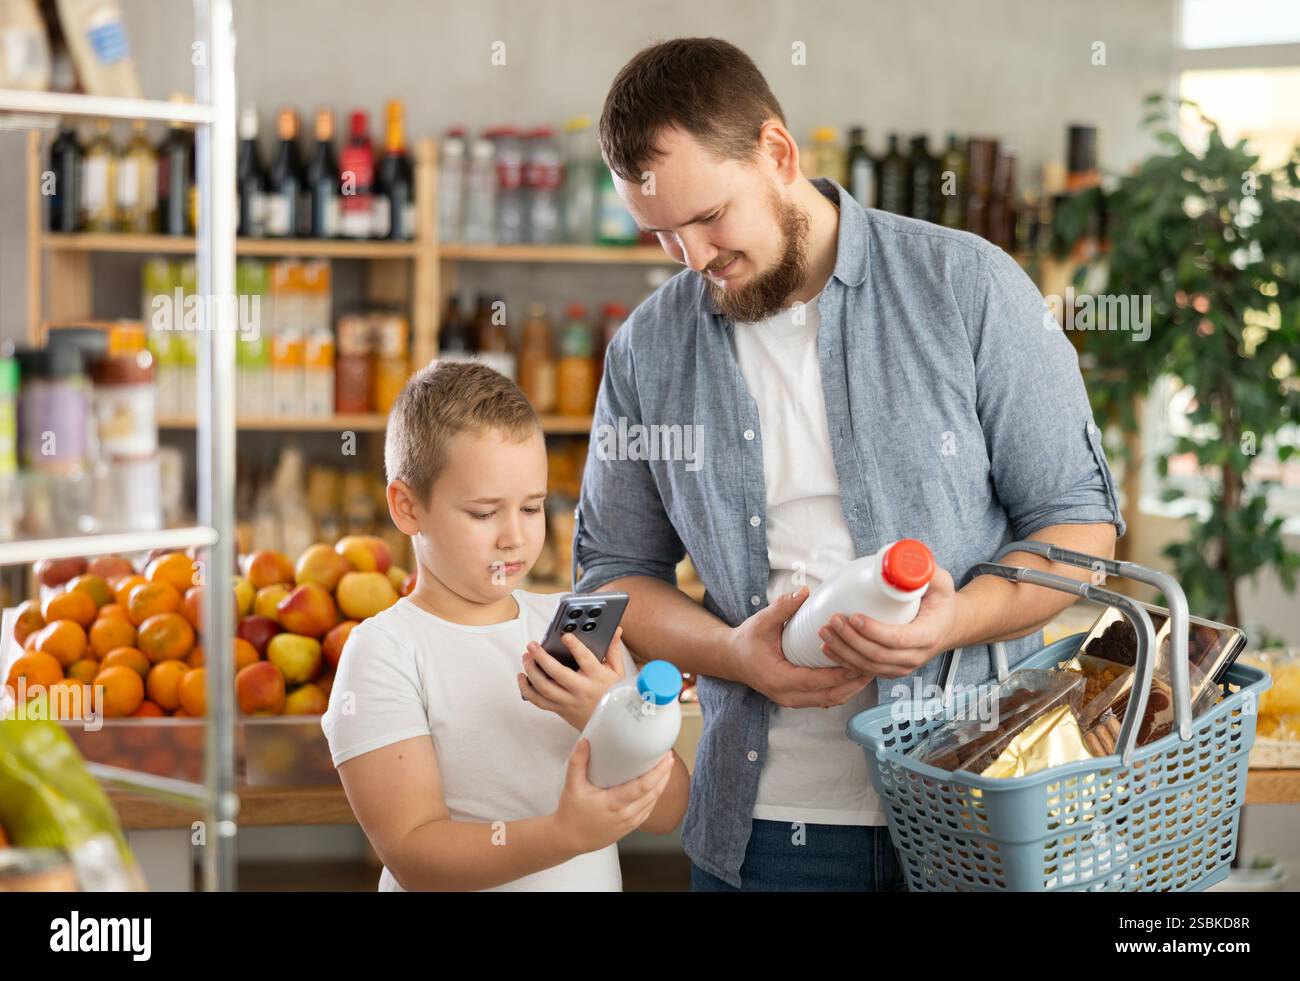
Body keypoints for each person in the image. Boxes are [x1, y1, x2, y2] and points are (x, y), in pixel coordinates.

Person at [574, 37, 1125, 891]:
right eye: (661, 234)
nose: (692, 259)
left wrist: (957, 617)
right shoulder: (649, 349)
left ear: (778, 153)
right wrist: (732, 651)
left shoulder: (967, 286)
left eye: (709, 216)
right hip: (756, 834)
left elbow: (1078, 523)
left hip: (975, 805)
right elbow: (613, 573)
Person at [322, 361, 690, 890]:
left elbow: (667, 811)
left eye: (533, 507)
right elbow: (414, 853)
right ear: (407, 507)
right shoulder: (385, 651)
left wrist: (611, 718)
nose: (514, 537)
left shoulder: (575, 635)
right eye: (483, 513)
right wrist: (563, 835)